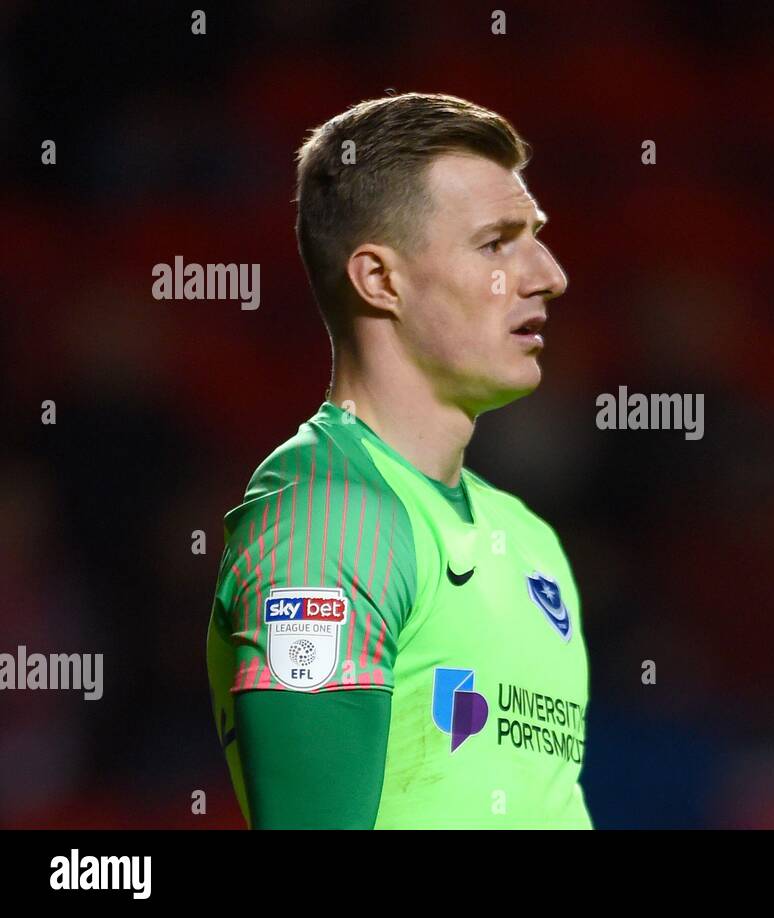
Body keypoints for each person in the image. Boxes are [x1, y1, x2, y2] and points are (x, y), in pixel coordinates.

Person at [205, 92, 590, 828]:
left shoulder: (528, 538)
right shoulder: (330, 521)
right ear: (381, 280)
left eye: (535, 236)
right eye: (496, 243)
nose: (548, 273)